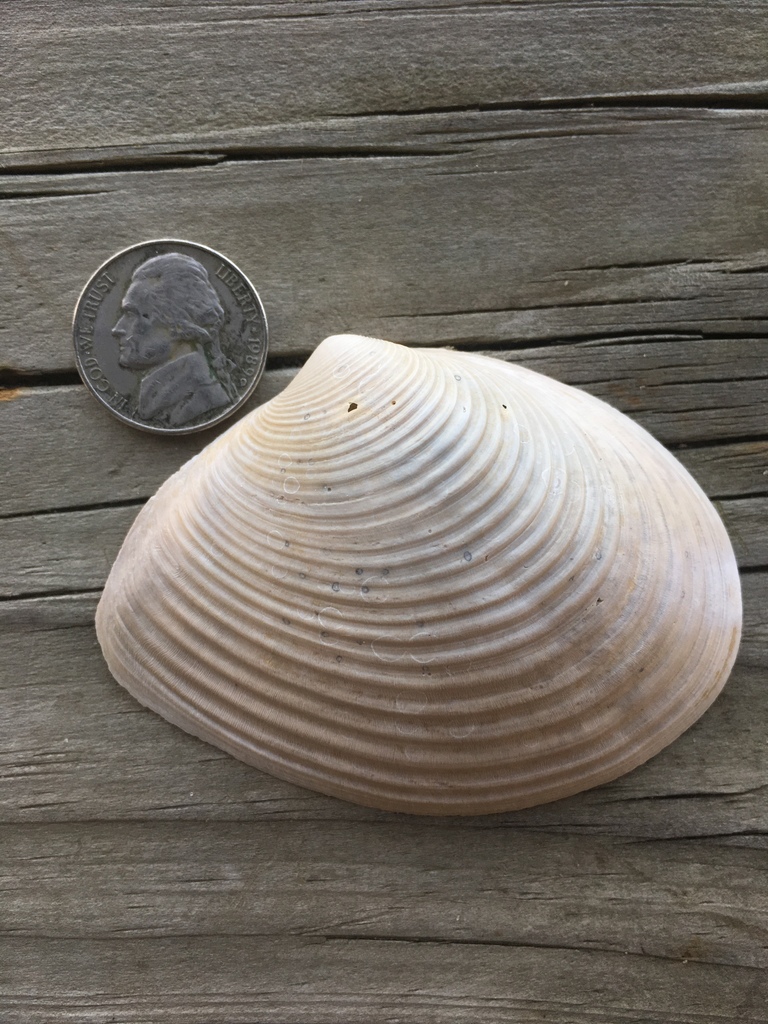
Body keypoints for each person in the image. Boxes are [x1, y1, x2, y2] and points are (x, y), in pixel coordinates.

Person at [112, 252, 232, 427]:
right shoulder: (166, 400)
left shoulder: (198, 402)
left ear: (177, 324)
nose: (117, 329)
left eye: (131, 314)